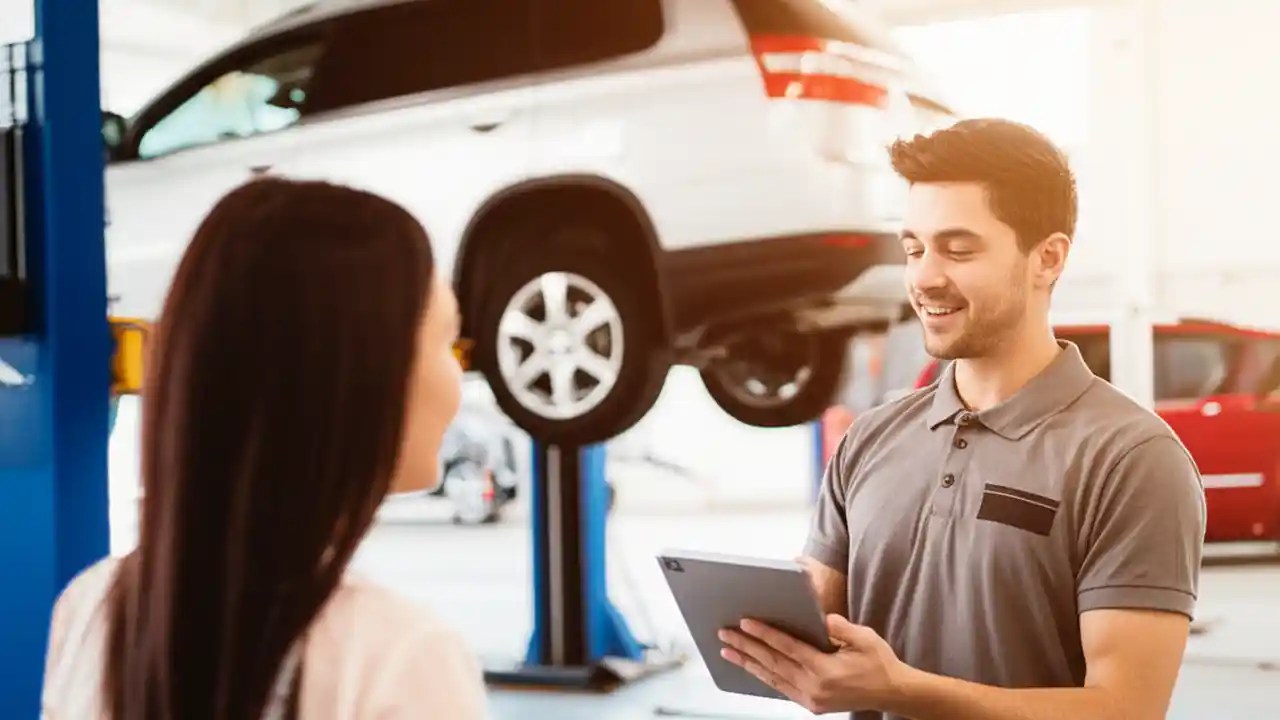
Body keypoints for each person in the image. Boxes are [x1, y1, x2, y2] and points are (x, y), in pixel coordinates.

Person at [718, 118, 1206, 719]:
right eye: (914, 249)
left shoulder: (1132, 458)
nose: (924, 277)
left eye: (958, 249)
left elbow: (1125, 709)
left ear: (1047, 259)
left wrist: (903, 690)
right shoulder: (870, 439)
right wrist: (779, 632)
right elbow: (824, 608)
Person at [41, 178, 488, 719]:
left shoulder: (91, 611)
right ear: (351, 376)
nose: (458, 374)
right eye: (445, 339)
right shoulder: (400, 656)